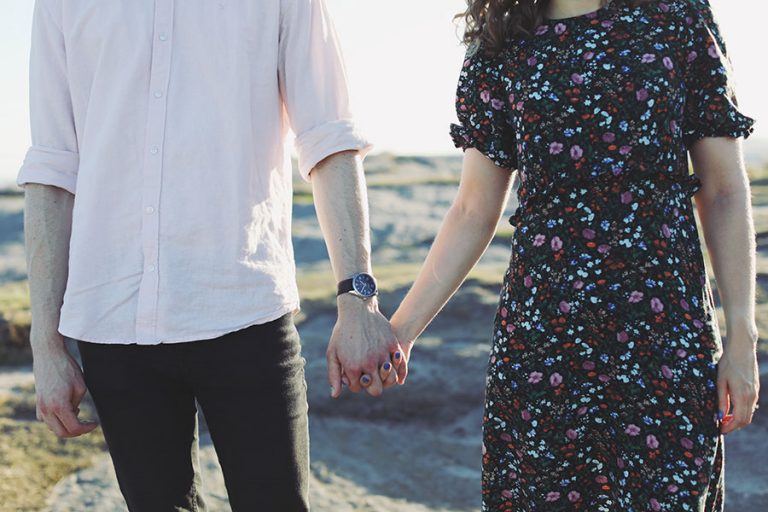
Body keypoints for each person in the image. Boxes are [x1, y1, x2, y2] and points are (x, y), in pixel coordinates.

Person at [19, 0, 404, 510]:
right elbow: (52, 169)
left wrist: (358, 299)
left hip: (245, 313)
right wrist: (46, 345)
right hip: (113, 324)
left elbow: (329, 139)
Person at [390, 0, 760, 509]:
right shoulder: (501, 42)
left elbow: (722, 192)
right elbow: (474, 210)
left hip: (663, 338)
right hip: (544, 343)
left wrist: (742, 337)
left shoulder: (677, 17)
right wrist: (400, 332)